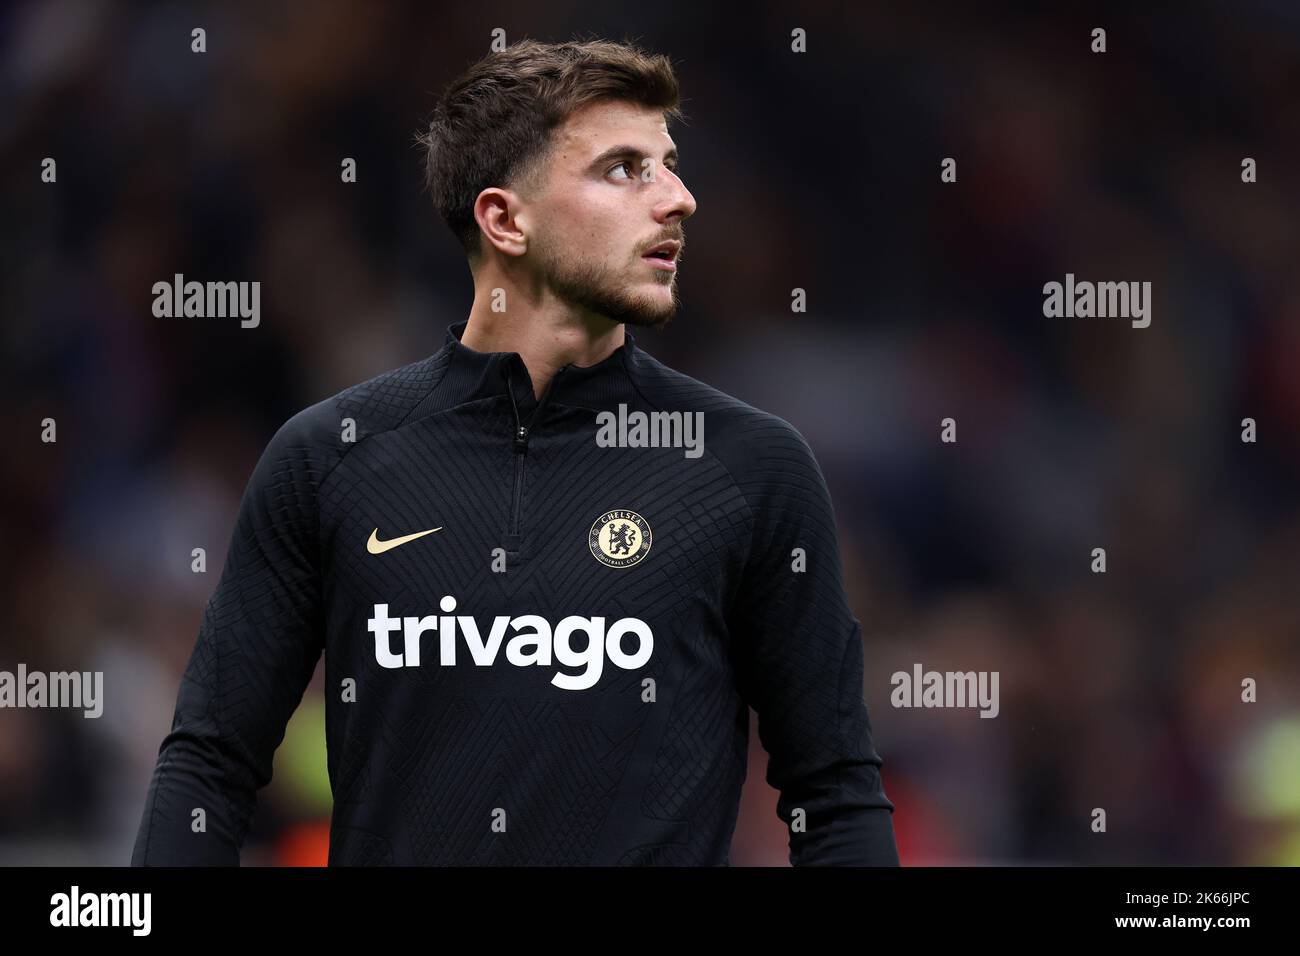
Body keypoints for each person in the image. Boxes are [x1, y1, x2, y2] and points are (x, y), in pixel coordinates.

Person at [131, 37, 899, 866]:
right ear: (504, 219)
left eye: (669, 165)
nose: (678, 199)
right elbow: (210, 765)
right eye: (623, 169)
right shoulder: (329, 459)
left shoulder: (750, 469)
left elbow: (835, 794)